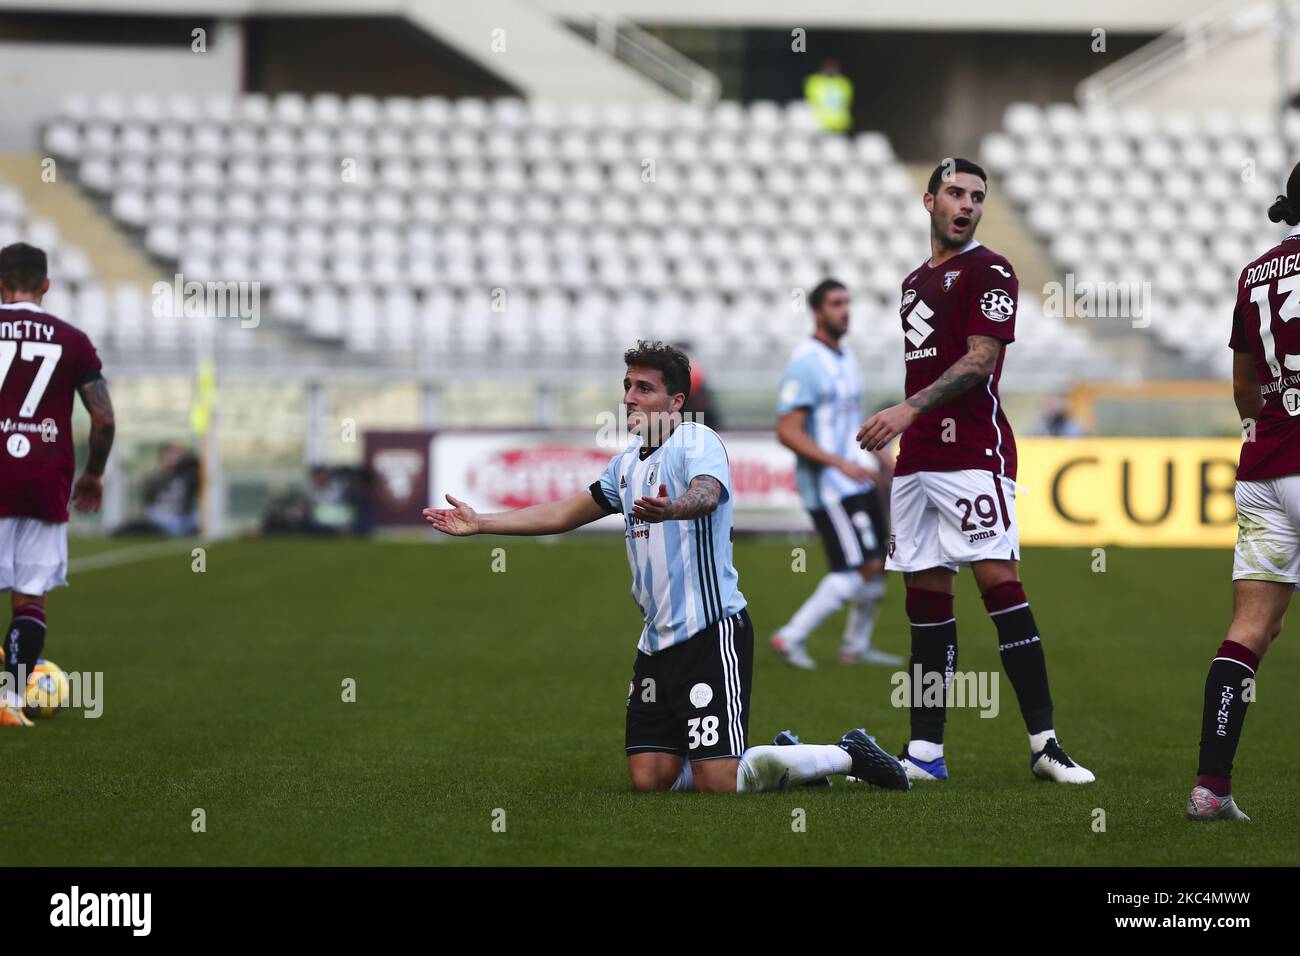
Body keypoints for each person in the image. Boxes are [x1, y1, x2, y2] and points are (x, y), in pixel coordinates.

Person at [424, 340, 909, 793]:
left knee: (718, 781)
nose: (630, 398)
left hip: (709, 631)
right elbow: (562, 513)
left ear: (676, 401)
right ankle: (782, 761)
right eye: (627, 387)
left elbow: (706, 494)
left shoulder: (697, 440)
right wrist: (481, 522)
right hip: (656, 643)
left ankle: (845, 754)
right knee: (649, 777)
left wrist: (673, 508)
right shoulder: (625, 465)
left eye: (644, 388)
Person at [857, 159, 1093, 784]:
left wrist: (906, 409)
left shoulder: (991, 269)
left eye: (977, 197)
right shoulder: (911, 282)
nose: (967, 204)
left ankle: (1045, 745)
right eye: (956, 194)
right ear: (929, 200)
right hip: (917, 463)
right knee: (925, 602)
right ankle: (925, 755)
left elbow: (981, 360)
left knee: (998, 585)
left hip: (971, 455)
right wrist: (908, 422)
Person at [1185, 162, 1300, 821]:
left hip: (1262, 467)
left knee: (1251, 629)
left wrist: (1270, 426)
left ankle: (1211, 787)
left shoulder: (1255, 272)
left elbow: (1242, 388)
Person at [0, 243, 114, 726]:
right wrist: (93, 473)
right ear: (46, 285)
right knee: (30, 596)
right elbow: (104, 420)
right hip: (44, 482)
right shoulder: (73, 340)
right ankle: (9, 702)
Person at [771, 278, 901, 668]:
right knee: (859, 567)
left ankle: (856, 647)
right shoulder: (807, 361)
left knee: (878, 563)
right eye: (835, 303)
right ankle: (791, 637)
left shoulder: (845, 357)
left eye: (847, 302)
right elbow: (787, 430)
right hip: (831, 487)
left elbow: (850, 422)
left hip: (857, 477)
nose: (845, 310)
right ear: (816, 311)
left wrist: (881, 460)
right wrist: (840, 463)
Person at [804, 58, 853, 134]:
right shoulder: (814, 81)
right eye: (828, 68)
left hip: (840, 124)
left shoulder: (844, 83)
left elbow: (846, 102)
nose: (830, 70)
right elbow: (811, 100)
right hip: (818, 123)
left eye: (832, 68)